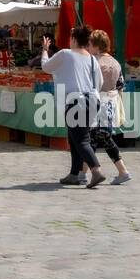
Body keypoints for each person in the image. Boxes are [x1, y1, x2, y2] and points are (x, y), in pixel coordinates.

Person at [40, 27, 105, 189]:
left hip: (75, 101)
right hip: (92, 100)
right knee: (74, 137)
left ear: (74, 39)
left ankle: (96, 171)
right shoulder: (91, 59)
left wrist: (44, 50)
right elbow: (100, 82)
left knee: (81, 139)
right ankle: (74, 174)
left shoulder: (65, 54)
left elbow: (46, 67)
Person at [88, 31, 132, 185]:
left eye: (90, 43)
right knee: (98, 137)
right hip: (110, 103)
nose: (88, 46)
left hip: (96, 103)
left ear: (95, 45)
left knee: (96, 138)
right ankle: (83, 172)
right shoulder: (115, 62)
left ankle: (122, 171)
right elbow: (120, 85)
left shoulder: (93, 62)